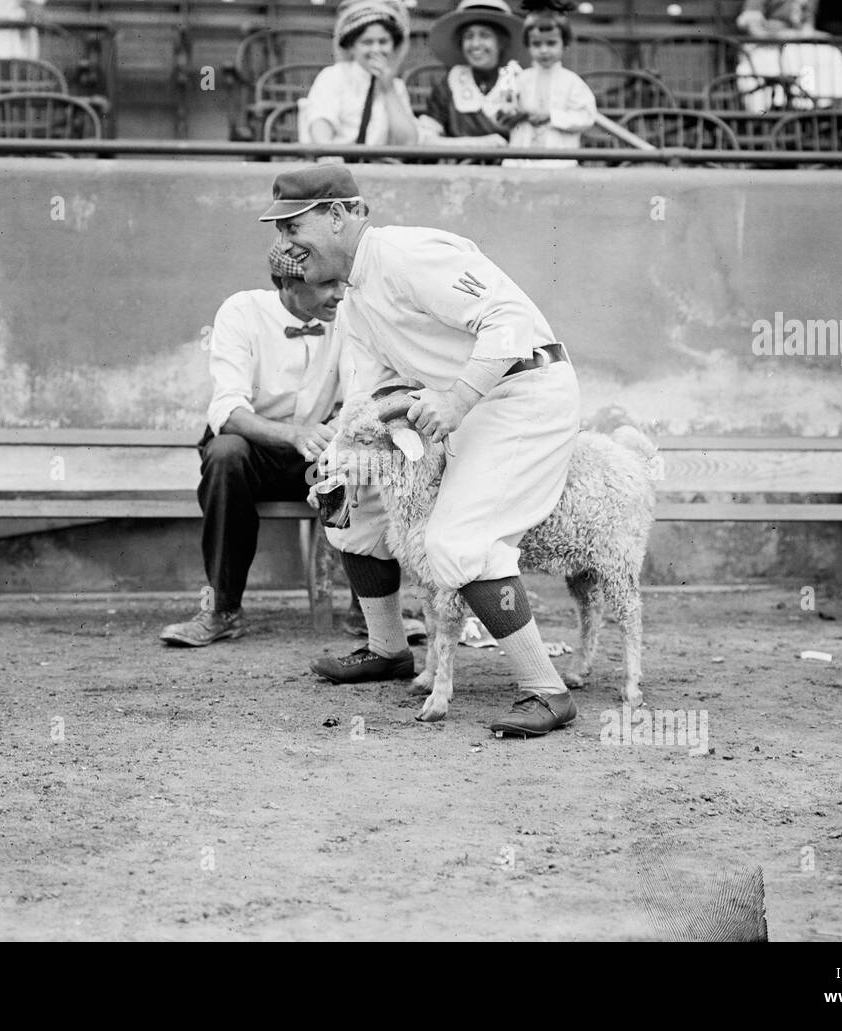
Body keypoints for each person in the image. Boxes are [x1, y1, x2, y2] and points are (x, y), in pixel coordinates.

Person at [260, 165, 583, 739]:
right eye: (280, 230)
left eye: (293, 227)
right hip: (460, 411)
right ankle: (388, 649)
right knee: (353, 508)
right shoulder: (356, 299)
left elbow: (507, 322)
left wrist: (458, 398)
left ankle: (546, 691)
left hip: (523, 396)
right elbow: (368, 395)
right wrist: (338, 460)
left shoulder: (407, 254)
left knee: (457, 542)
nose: (284, 243)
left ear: (339, 214)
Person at [159, 243, 347, 647]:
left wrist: (332, 432)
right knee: (225, 454)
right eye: (327, 284)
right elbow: (227, 411)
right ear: (289, 284)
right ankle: (223, 610)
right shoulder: (241, 312)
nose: (340, 293)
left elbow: (360, 392)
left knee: (361, 462)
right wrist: (294, 434)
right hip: (255, 455)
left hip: (314, 457)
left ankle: (374, 612)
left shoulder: (349, 318)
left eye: (341, 281)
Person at [300, 0, 420, 147]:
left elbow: (409, 143)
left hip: (378, 167)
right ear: (351, 47)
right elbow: (320, 126)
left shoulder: (397, 86)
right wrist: (328, 155)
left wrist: (389, 89)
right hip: (337, 161)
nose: (376, 49)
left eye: (383, 42)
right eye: (367, 42)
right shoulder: (333, 76)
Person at [418, 0, 527, 154]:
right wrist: (477, 145)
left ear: (501, 42)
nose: (475, 44)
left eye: (485, 35)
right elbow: (425, 140)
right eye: (469, 36)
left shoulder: (519, 82)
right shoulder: (451, 83)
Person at [504, 0, 597, 167]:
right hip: (521, 163)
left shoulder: (572, 82)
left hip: (559, 163)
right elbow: (502, 109)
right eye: (537, 44)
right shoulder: (520, 80)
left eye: (551, 43)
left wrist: (551, 115)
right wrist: (512, 111)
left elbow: (586, 116)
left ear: (565, 44)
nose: (544, 50)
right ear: (528, 46)